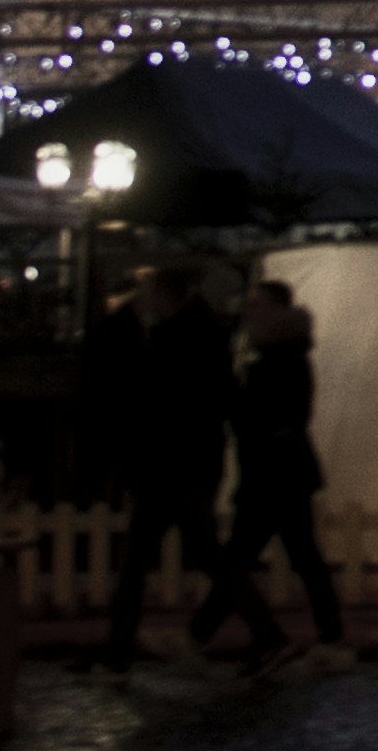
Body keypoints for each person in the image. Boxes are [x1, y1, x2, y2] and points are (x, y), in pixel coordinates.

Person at [192, 278, 352, 672]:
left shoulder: (277, 361)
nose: (249, 312)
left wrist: (235, 402)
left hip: (272, 475)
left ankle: (205, 634)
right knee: (274, 557)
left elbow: (268, 418)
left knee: (246, 557)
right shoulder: (283, 357)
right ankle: (325, 637)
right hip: (282, 473)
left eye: (257, 304)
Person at [98, 262, 243, 676]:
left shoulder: (179, 337)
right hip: (183, 464)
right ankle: (117, 650)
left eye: (150, 294)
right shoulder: (202, 332)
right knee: (196, 556)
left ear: (165, 296)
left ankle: (118, 651)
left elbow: (157, 404)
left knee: (152, 560)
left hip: (170, 466)